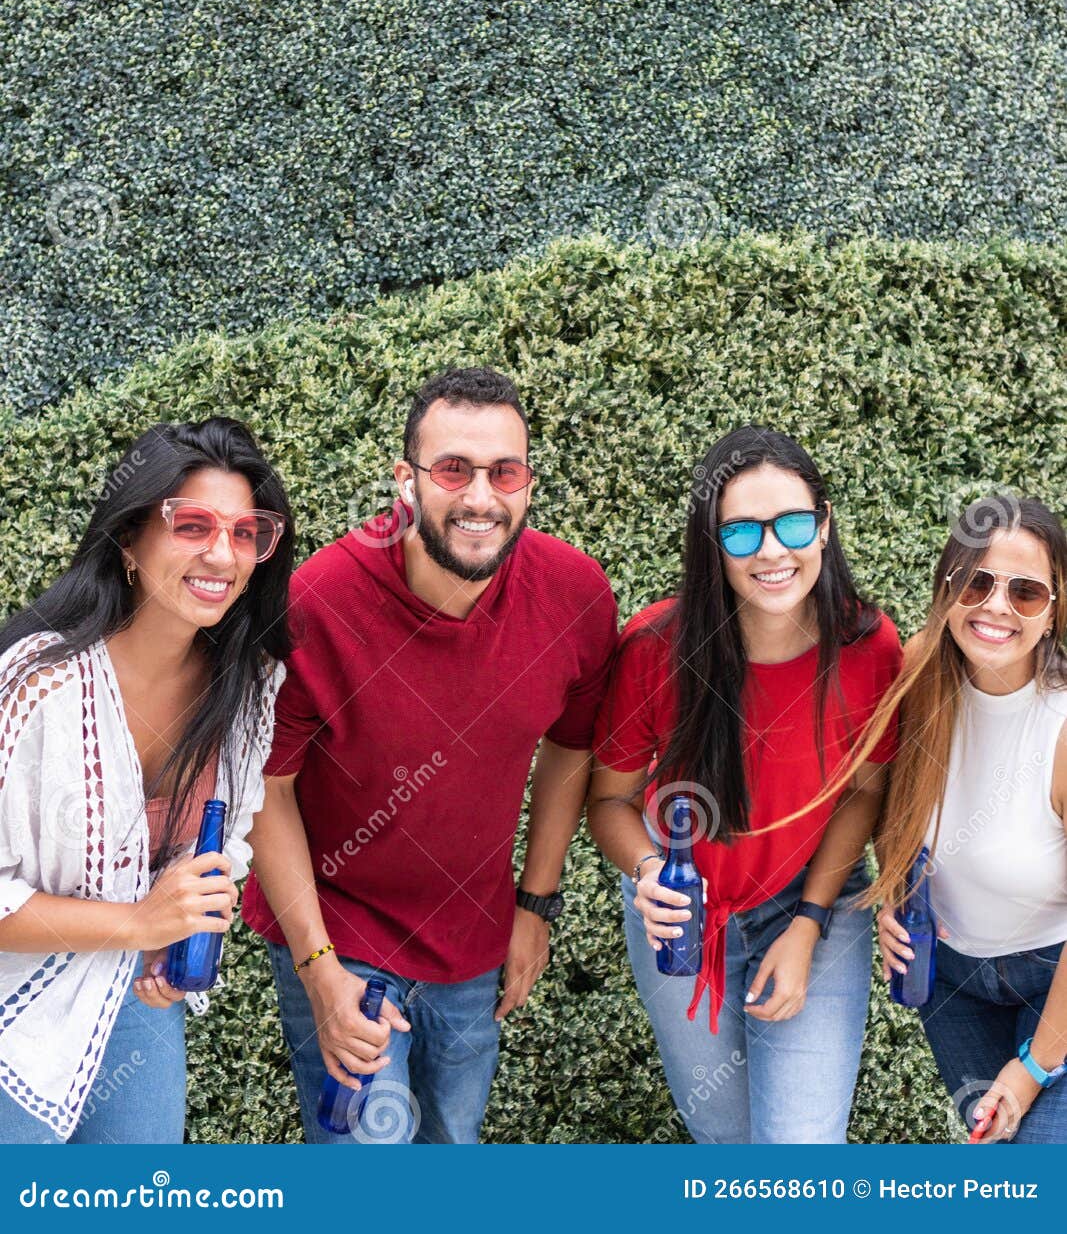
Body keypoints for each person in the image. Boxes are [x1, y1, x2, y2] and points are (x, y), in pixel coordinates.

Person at [242, 365, 619, 1144]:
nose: (480, 497)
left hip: (473, 940)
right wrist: (318, 969)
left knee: (452, 1145)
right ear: (405, 480)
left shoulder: (574, 594)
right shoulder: (318, 601)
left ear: (527, 482)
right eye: (452, 470)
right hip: (340, 928)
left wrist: (535, 904)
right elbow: (266, 790)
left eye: (503, 472)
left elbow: (571, 746)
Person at [587, 425, 903, 1144]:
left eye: (791, 524)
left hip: (815, 903)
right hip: (682, 909)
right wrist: (649, 874)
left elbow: (865, 792)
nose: (770, 551)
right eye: (740, 533)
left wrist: (808, 924)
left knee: (797, 1151)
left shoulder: (867, 645)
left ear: (823, 525)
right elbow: (608, 800)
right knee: (726, 1143)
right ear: (712, 544)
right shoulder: (655, 647)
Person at [0, 417, 292, 1143]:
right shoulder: (36, 685)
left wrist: (174, 931)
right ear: (129, 539)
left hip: (132, 991)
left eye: (246, 532)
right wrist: (140, 921)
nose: (222, 554)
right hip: (14, 1004)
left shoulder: (247, 685)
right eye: (192, 525)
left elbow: (230, 838)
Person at [869, 495, 1067, 1143]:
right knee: (997, 1158)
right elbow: (887, 799)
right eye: (976, 582)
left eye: (1026, 592)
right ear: (946, 589)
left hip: (1056, 980)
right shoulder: (917, 673)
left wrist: (1032, 1069)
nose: (995, 607)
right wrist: (893, 895)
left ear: (1054, 612)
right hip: (952, 981)